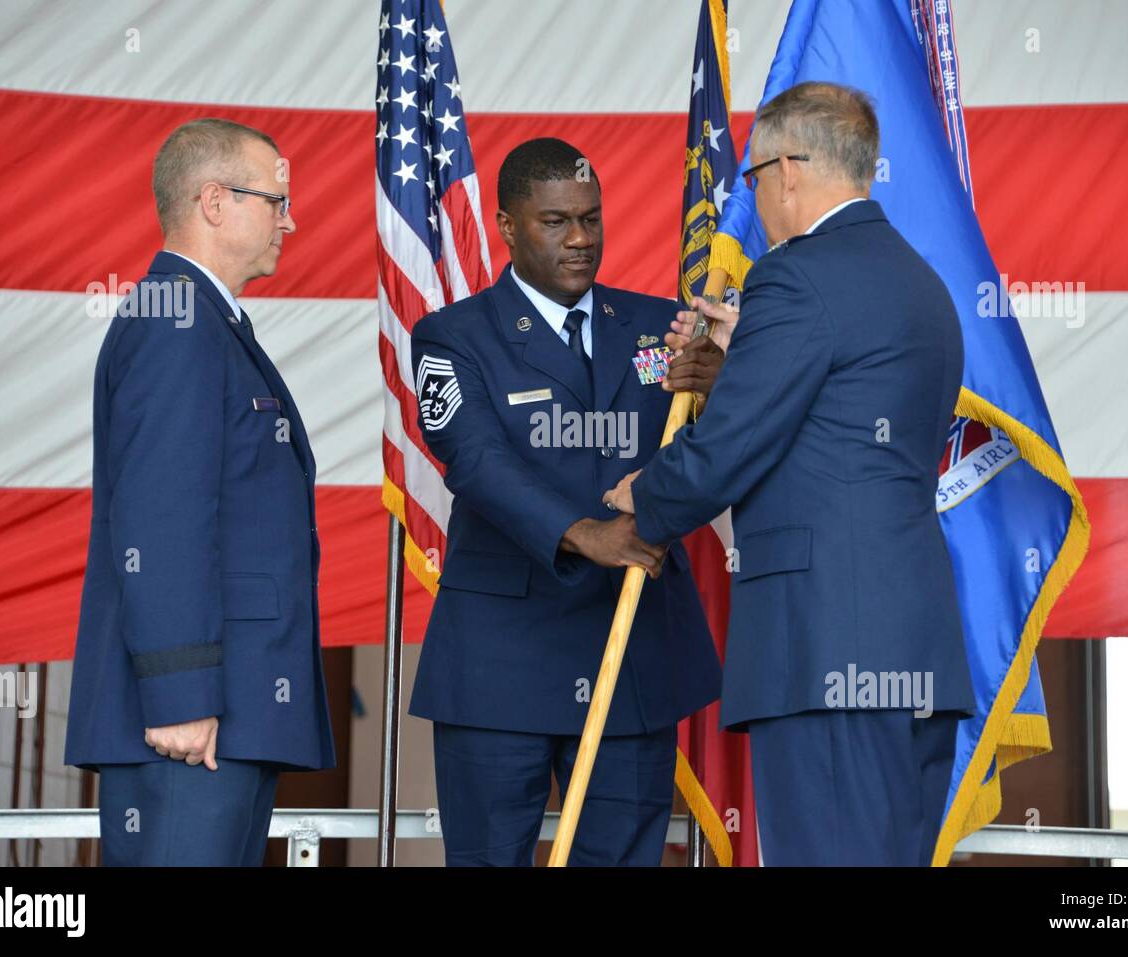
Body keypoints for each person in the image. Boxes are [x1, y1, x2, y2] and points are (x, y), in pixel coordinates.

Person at [604, 82, 975, 866]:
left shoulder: (795, 277)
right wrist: (749, 358)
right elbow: (839, 422)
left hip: (825, 650)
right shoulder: (924, 284)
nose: (757, 198)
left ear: (790, 169)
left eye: (754, 178)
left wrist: (649, 491)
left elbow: (733, 446)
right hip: (913, 647)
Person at [409, 137, 722, 866]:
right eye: (555, 222)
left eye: (591, 217)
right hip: (500, 667)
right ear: (507, 226)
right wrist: (586, 532)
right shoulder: (451, 337)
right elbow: (476, 461)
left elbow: (722, 452)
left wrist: (722, 385)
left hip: (629, 658)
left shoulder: (663, 330)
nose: (580, 238)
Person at [65, 118, 334, 866]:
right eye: (276, 200)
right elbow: (161, 518)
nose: (291, 218)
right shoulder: (179, 320)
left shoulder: (204, 319)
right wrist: (181, 694)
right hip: (190, 718)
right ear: (214, 201)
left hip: (227, 706)